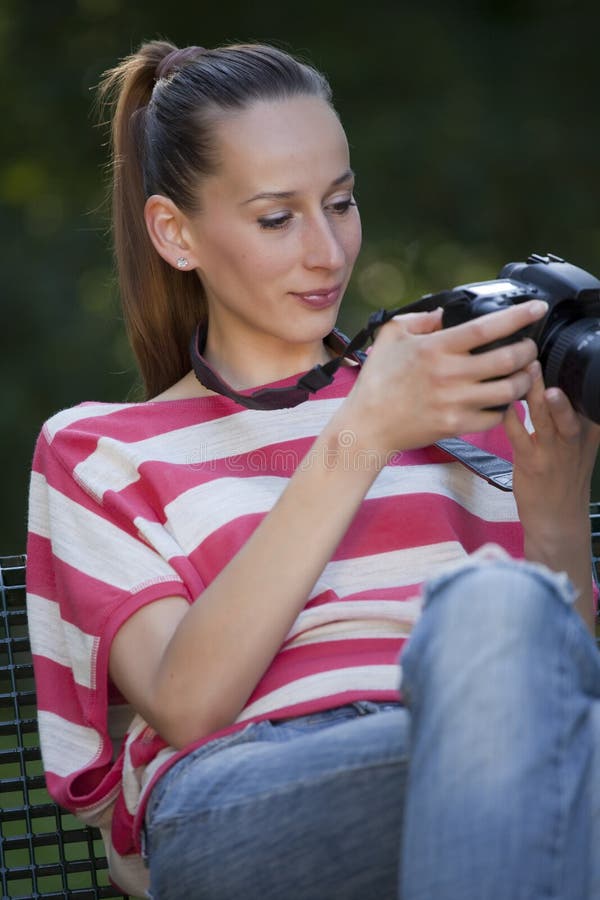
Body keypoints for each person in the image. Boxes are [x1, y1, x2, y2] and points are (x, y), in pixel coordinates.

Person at [26, 39, 600, 900]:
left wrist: (555, 512)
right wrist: (359, 435)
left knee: (506, 623)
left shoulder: (456, 413)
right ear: (175, 233)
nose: (328, 252)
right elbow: (187, 701)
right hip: (255, 788)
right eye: (276, 217)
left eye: (340, 202)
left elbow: (564, 681)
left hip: (493, 745)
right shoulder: (100, 450)